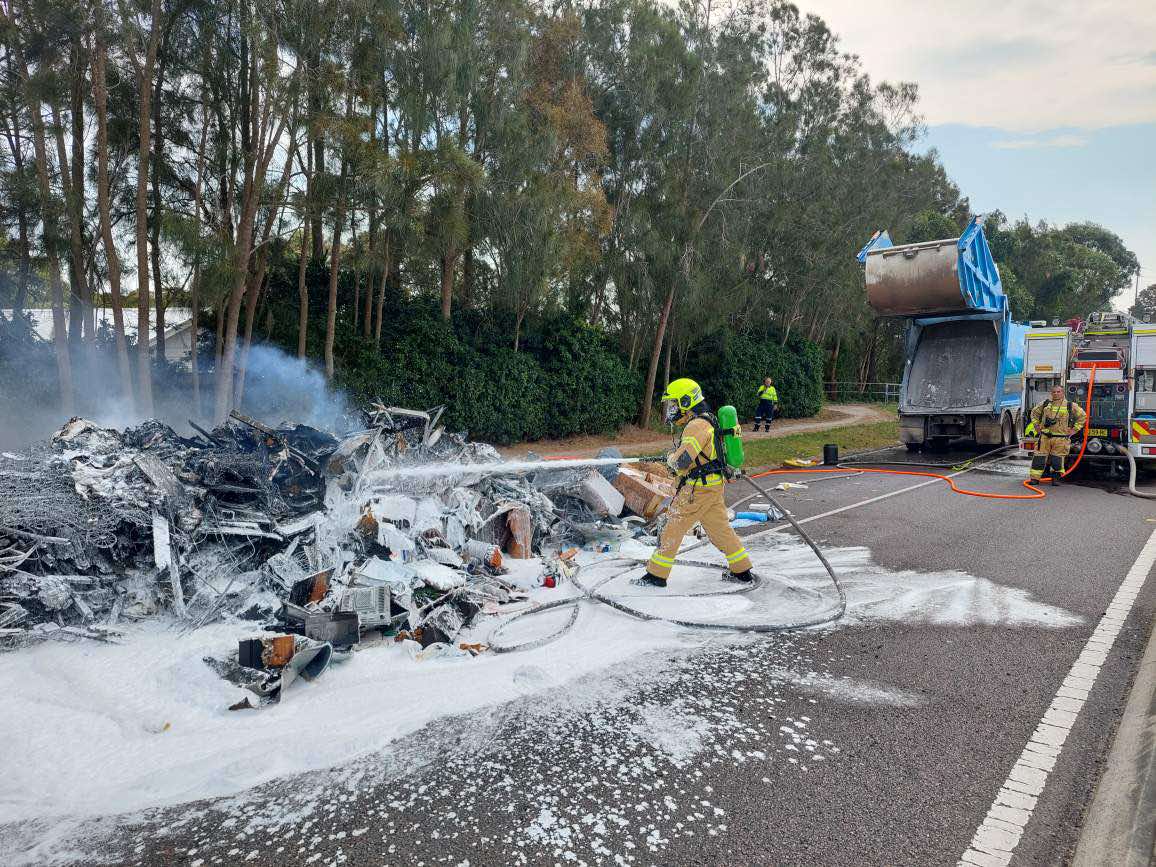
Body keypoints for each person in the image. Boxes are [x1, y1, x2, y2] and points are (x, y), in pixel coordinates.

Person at [639, 377, 755, 588]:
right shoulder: (709, 419)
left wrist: (670, 459)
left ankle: (656, 576)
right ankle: (742, 571)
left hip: (696, 490)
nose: (671, 409)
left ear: (686, 402)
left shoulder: (696, 426)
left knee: (671, 529)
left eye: (674, 404)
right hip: (711, 487)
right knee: (721, 531)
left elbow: (682, 462)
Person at [1029, 385, 1087, 485]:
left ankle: (1055, 479)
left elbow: (1082, 416)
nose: (1056, 394)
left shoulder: (1070, 405)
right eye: (1054, 392)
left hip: (1061, 438)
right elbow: (1034, 413)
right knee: (1039, 457)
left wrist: (1074, 430)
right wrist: (1036, 426)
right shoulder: (1045, 404)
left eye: (1058, 392)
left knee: (1057, 459)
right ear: (1051, 393)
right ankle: (1035, 479)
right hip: (1045, 437)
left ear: (1063, 393)